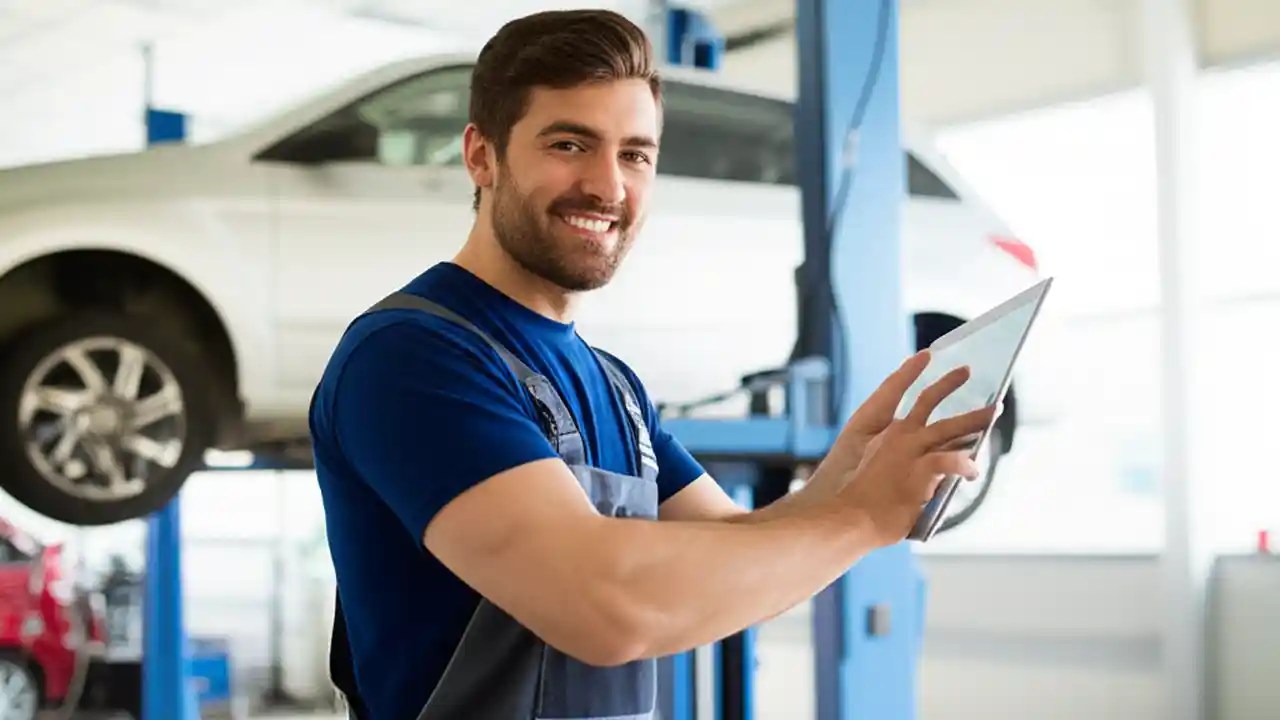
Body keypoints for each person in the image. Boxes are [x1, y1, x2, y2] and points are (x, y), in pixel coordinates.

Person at [309, 8, 995, 720]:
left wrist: (839, 485)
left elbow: (731, 551)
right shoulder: (413, 357)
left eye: (635, 154)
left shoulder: (615, 385)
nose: (608, 187)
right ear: (482, 156)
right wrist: (857, 518)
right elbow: (605, 607)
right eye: (570, 144)